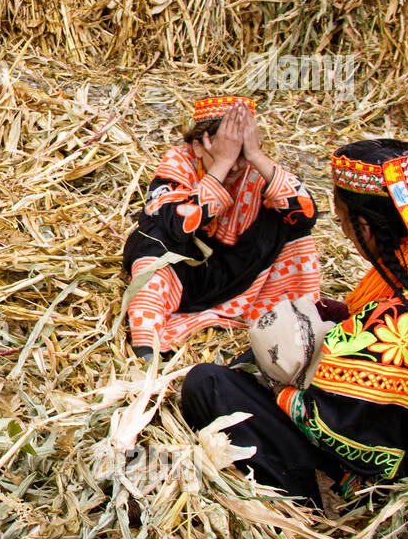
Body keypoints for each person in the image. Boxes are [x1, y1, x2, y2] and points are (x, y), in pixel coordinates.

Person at [182, 139, 408, 504]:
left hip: (400, 475)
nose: (347, 234)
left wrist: (276, 384)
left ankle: (306, 498)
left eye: (343, 221)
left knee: (208, 384)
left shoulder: (396, 325)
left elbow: (325, 420)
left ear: (364, 226)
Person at [122, 95, 322, 359]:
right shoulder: (179, 162)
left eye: (243, 155)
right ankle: (147, 340)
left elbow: (306, 214)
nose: (237, 166)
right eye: (227, 153)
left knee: (288, 222)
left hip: (235, 276)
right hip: (182, 274)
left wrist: (257, 157)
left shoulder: (254, 168)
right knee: (155, 235)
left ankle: (293, 321)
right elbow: (177, 228)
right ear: (197, 145)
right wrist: (221, 166)